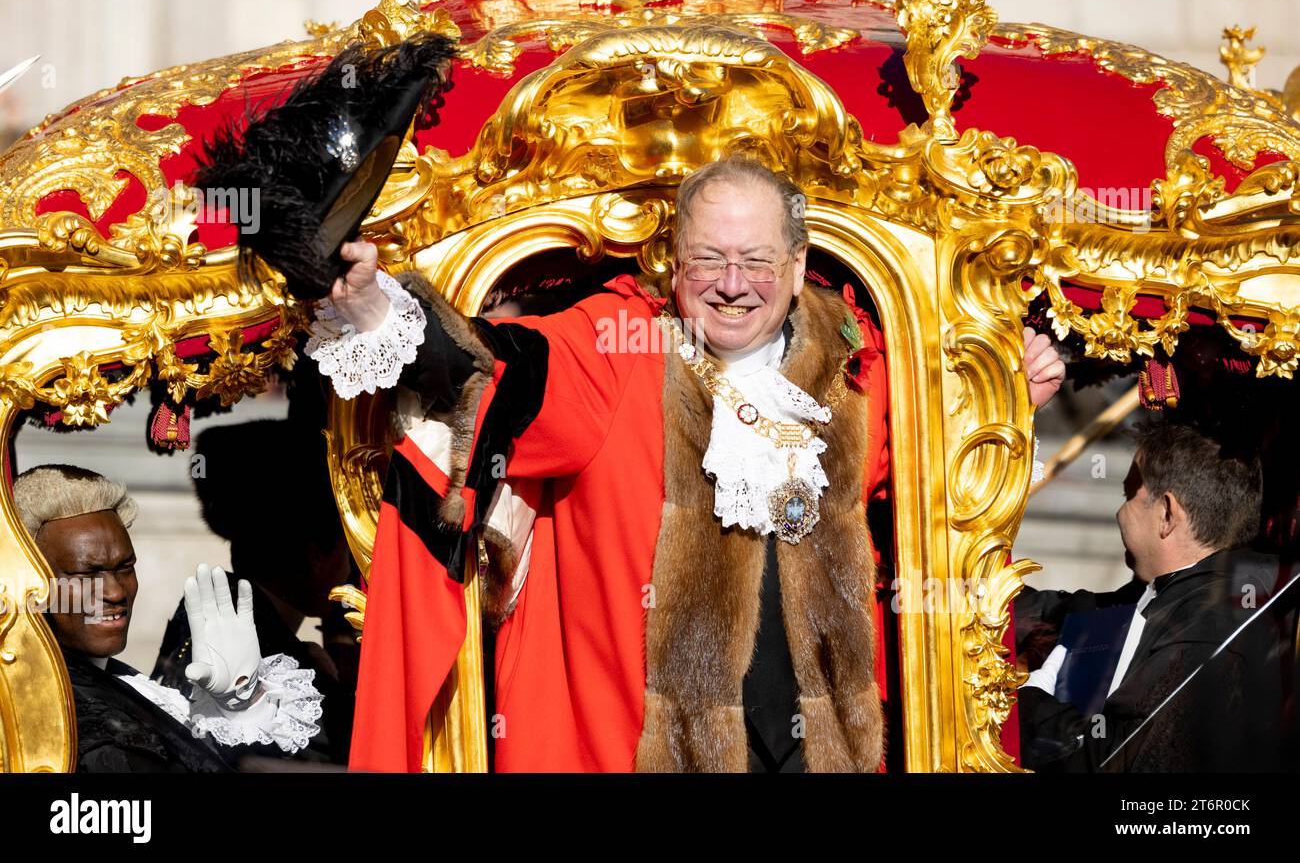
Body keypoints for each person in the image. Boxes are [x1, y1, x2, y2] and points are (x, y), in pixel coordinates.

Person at [307, 154, 1066, 772]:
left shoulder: (861, 366)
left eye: (757, 261)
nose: (732, 284)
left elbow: (942, 452)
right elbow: (502, 374)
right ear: (675, 263)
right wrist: (380, 312)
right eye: (709, 259)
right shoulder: (616, 348)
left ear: (799, 267)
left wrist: (1008, 381)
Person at [1016, 419, 1289, 772]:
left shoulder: (1215, 628)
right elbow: (1057, 612)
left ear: (1167, 514)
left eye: (1128, 495)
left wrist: (1022, 706)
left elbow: (1114, 760)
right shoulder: (1176, 592)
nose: (1120, 511)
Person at [13, 464, 323, 772]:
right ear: (30, 579)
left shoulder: (113, 680)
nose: (115, 592)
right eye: (87, 573)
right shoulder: (63, 715)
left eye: (125, 567)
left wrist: (241, 704)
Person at [151, 419, 357, 764]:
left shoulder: (219, 610)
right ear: (316, 556)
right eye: (344, 549)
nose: (350, 568)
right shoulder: (256, 645)